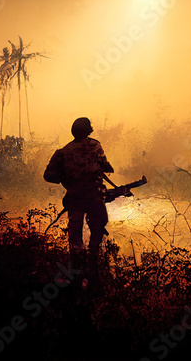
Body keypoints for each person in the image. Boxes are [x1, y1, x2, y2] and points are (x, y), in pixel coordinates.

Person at [44, 117, 115, 273]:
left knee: (75, 236)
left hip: (75, 199)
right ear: (88, 131)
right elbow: (106, 167)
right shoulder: (95, 146)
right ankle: (92, 264)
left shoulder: (62, 153)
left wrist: (67, 177)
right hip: (94, 197)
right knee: (97, 230)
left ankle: (78, 268)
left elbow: (49, 176)